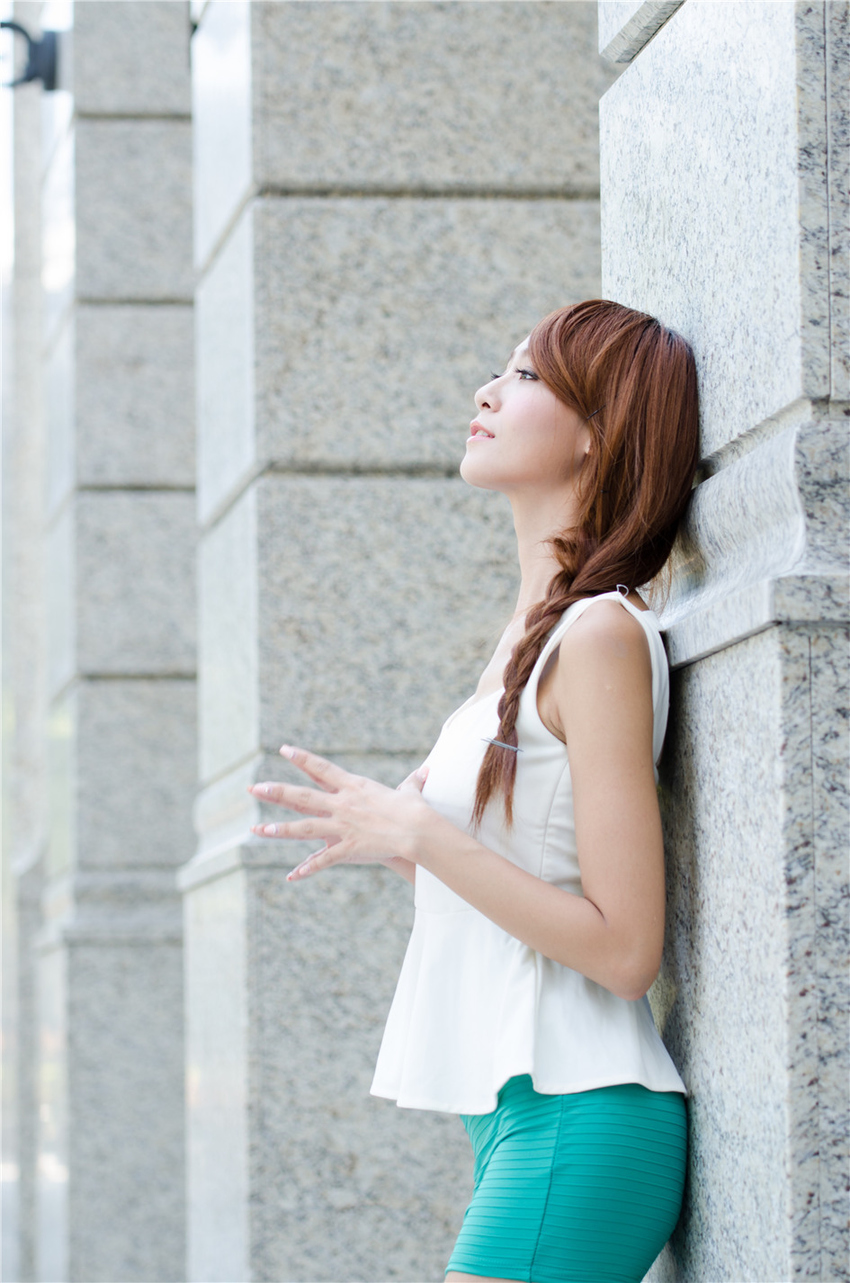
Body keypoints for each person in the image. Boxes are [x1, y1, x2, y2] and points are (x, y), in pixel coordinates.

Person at [248, 299, 700, 1283]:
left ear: (598, 431)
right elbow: (507, 911)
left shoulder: (600, 637)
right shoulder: (526, 640)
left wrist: (416, 824)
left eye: (530, 376)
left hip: (580, 1114)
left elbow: (626, 949)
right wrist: (412, 846)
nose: (488, 390)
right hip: (517, 1113)